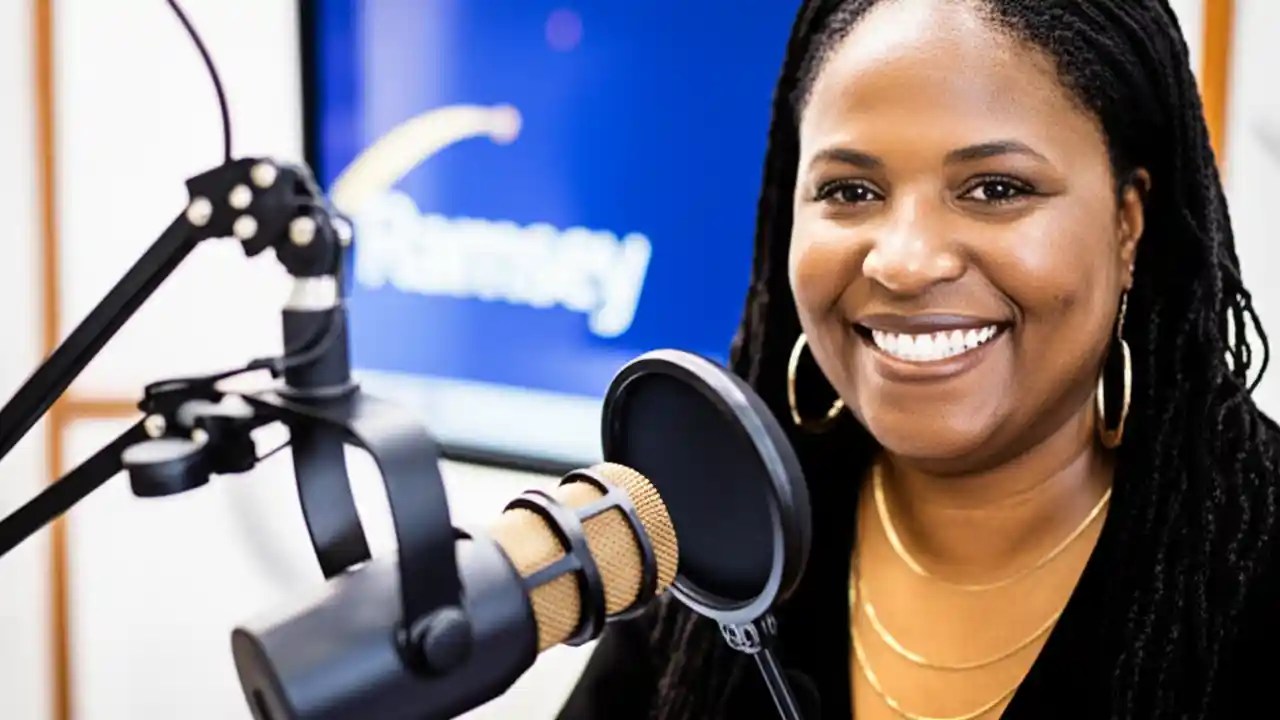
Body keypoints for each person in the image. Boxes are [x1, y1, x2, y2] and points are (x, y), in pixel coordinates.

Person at [557, 0, 1280, 718]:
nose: (904, 263)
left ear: (1128, 225)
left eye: (996, 189)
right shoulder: (717, 542)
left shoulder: (1245, 548)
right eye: (851, 191)